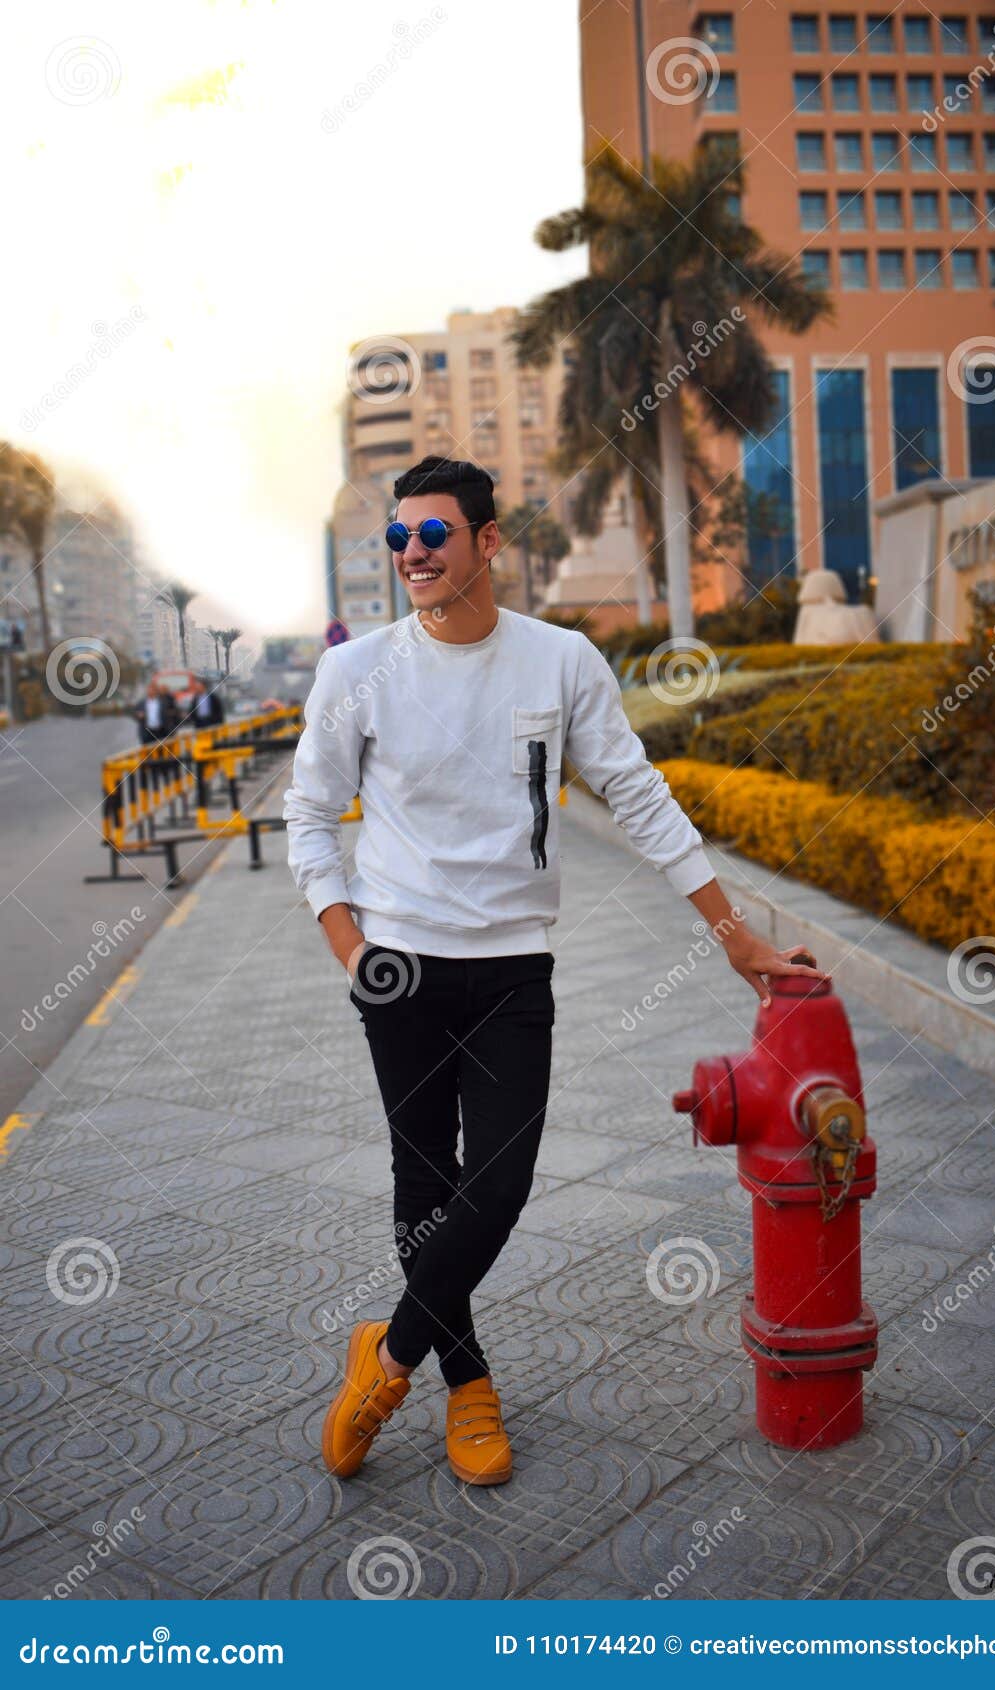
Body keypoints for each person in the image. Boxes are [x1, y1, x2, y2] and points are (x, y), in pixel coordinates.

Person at [282, 455, 824, 1487]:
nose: (412, 554)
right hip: (398, 966)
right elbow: (308, 815)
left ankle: (385, 1358)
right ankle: (468, 1383)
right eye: (398, 537)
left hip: (511, 969)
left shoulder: (560, 660)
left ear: (488, 541)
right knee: (424, 1184)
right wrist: (352, 950)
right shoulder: (358, 673)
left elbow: (637, 794)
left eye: (433, 534)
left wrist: (734, 936)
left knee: (497, 1183)